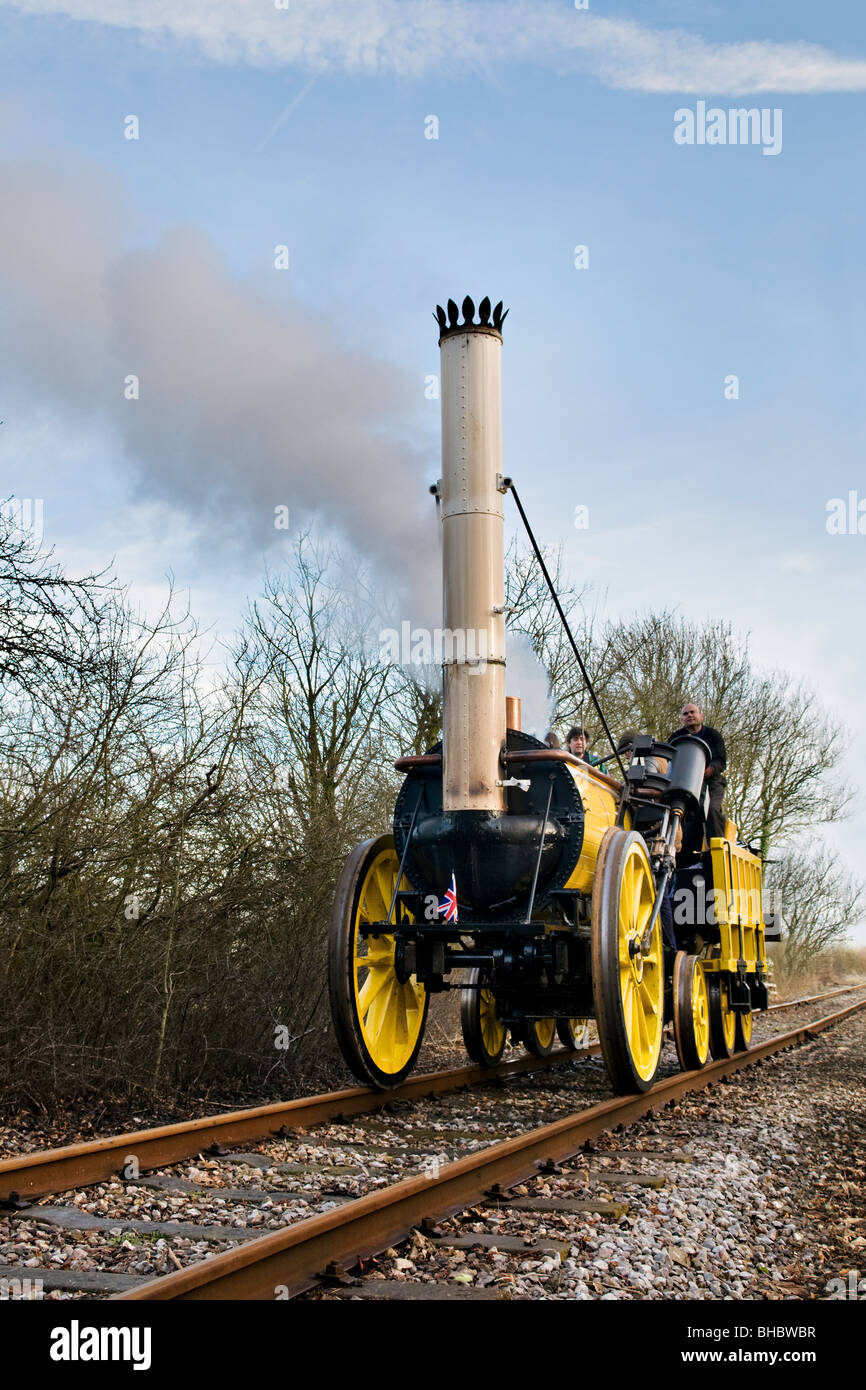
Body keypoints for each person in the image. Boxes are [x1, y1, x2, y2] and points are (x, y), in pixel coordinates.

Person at [669, 701, 727, 841]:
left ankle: (715, 850)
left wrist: (708, 770)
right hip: (684, 782)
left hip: (711, 782)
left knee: (712, 810)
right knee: (682, 814)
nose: (689, 715)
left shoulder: (713, 735)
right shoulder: (675, 738)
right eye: (685, 714)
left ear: (701, 716)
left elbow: (721, 761)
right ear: (682, 719)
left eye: (692, 712)